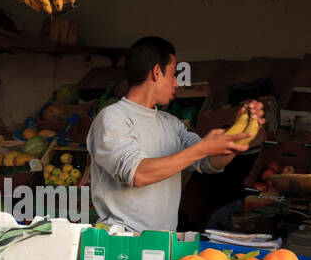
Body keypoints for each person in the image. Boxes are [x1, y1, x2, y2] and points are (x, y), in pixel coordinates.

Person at [87, 36, 265, 233]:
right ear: (156, 72)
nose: (177, 83)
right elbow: (138, 174)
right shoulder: (113, 117)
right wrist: (202, 148)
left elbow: (209, 162)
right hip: (122, 241)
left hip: (163, 242)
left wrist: (237, 135)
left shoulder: (171, 124)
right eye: (173, 74)